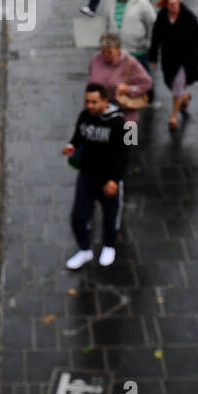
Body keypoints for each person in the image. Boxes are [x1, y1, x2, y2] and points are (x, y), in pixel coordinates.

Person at [61, 83, 127, 269]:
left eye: (94, 102)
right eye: (87, 101)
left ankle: (109, 246)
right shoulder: (84, 116)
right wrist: (71, 146)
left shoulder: (118, 123)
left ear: (105, 101)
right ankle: (84, 250)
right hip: (87, 176)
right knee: (79, 216)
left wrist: (115, 179)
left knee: (110, 216)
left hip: (108, 179)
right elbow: (78, 138)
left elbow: (123, 155)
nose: (89, 105)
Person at [149, 0, 198, 131]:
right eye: (171, 4)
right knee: (170, 83)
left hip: (185, 59)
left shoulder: (189, 17)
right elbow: (156, 38)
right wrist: (153, 57)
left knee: (178, 85)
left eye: (176, 3)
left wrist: (197, 58)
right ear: (166, 5)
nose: (175, 6)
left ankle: (173, 116)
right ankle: (184, 97)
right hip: (168, 58)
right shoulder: (161, 17)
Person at [87, 33, 153, 124]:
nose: (105, 55)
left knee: (128, 138)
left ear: (118, 50)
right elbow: (90, 86)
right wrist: (87, 110)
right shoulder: (96, 59)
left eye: (109, 52)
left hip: (125, 115)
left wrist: (129, 89)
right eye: (103, 51)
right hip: (99, 115)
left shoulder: (129, 62)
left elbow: (147, 83)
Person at [102, 0, 155, 75]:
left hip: (138, 53)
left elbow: (152, 23)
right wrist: (105, 46)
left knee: (141, 81)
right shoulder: (110, 4)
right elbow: (105, 25)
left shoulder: (141, 2)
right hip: (117, 53)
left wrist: (149, 43)